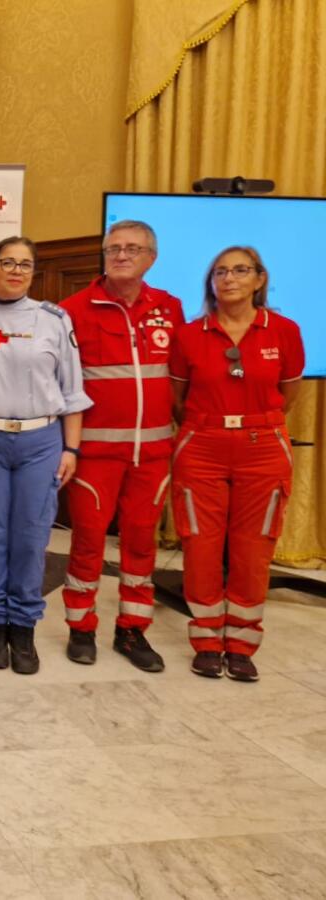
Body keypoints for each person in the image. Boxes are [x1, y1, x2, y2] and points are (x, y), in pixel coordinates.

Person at [0, 236, 91, 674]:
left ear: (33, 272)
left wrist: (71, 447)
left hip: (41, 442)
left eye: (25, 264)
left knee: (32, 539)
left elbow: (72, 391)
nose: (16, 271)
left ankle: (24, 628)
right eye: (7, 262)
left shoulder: (54, 320)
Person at [170, 246, 304, 682]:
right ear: (210, 283)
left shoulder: (284, 331)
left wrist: (252, 423)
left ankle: (243, 644)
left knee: (253, 548)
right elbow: (178, 398)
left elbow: (288, 395)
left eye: (240, 270)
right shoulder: (189, 335)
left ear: (259, 280)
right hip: (201, 445)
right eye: (220, 272)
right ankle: (208, 641)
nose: (229, 279)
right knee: (201, 545)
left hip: (262, 447)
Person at [60, 220, 185, 671]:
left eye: (132, 249)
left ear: (151, 257)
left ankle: (132, 631)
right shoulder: (73, 309)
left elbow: (179, 379)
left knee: (140, 546)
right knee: (88, 542)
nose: (121, 255)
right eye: (113, 248)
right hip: (94, 455)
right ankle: (81, 627)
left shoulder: (169, 308)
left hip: (152, 455)